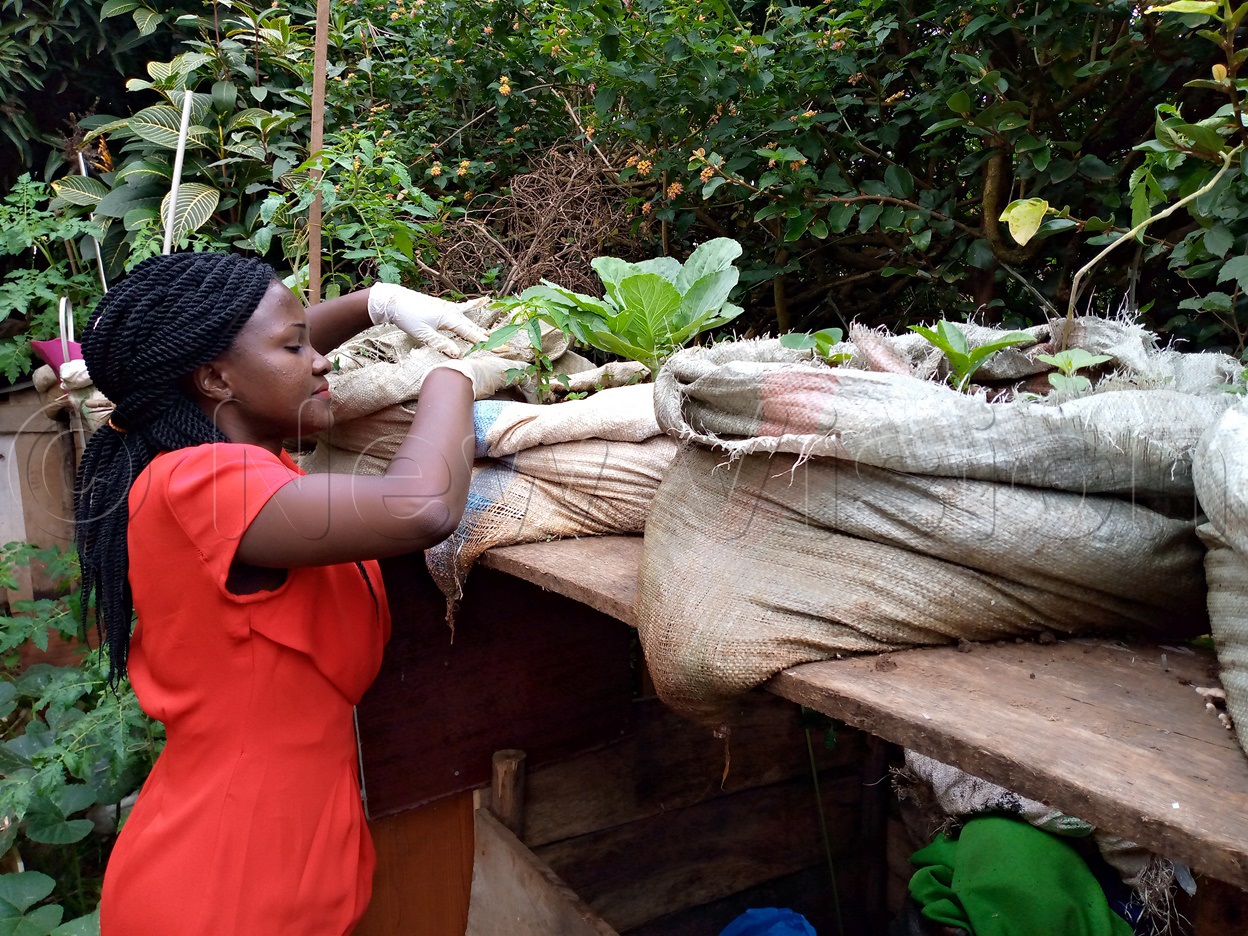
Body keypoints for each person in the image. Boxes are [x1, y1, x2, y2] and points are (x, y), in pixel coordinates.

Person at [73, 251, 517, 936]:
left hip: (264, 856)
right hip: (222, 890)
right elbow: (420, 506)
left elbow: (265, 343)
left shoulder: (238, 463)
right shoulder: (207, 487)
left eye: (310, 339)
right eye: (295, 346)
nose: (319, 359)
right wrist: (453, 378)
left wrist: (379, 304)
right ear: (216, 378)